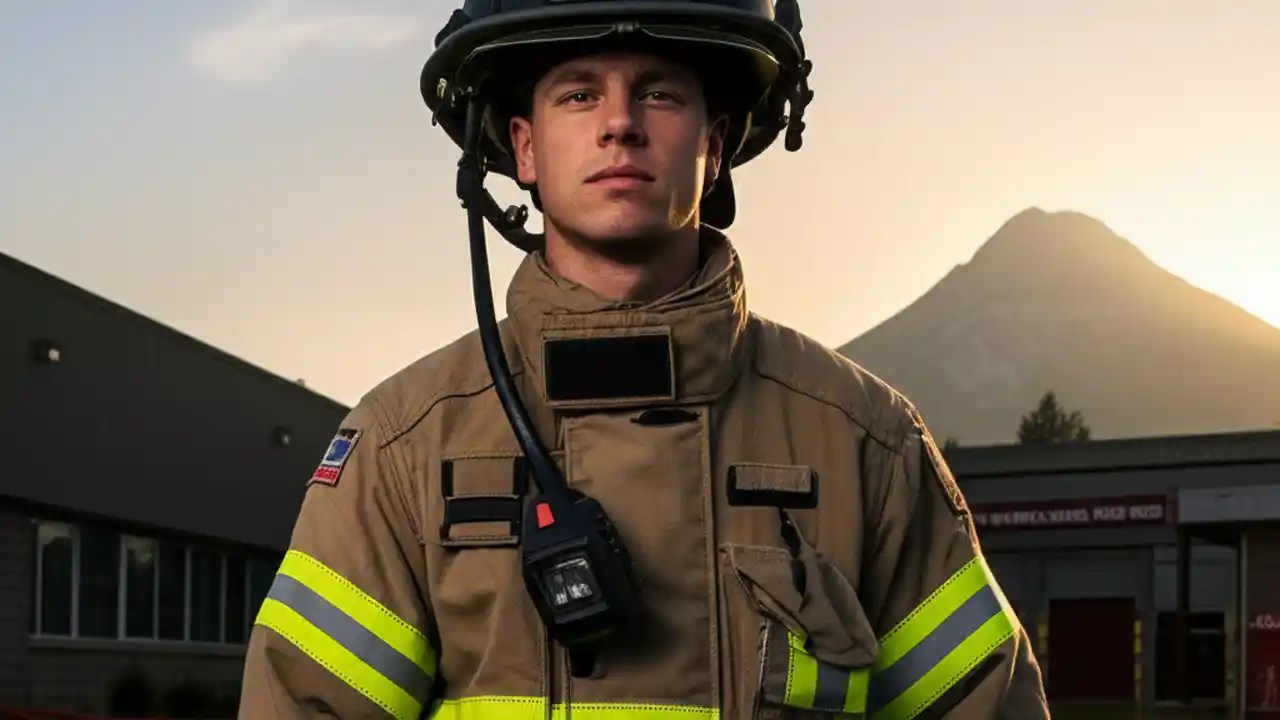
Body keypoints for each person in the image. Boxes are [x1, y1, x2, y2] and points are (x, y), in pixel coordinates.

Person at [238, 1, 1051, 718]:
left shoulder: (865, 442)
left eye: (660, 91)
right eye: (579, 92)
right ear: (523, 148)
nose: (619, 122)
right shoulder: (404, 447)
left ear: (718, 143)